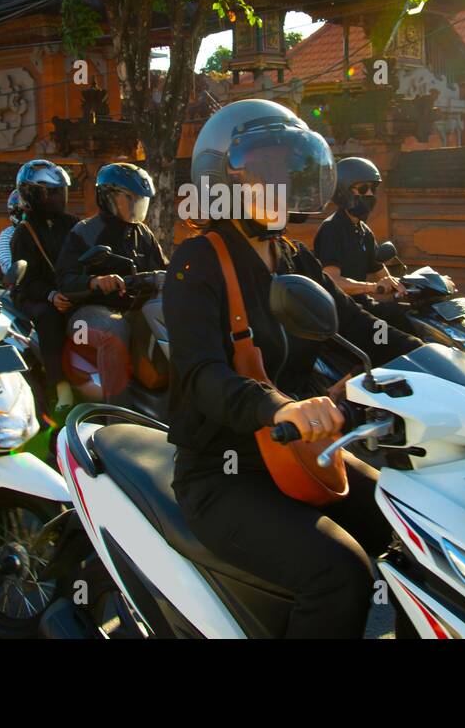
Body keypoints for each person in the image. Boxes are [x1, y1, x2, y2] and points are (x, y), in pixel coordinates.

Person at [165, 99, 421, 638]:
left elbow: (357, 324)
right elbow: (201, 374)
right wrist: (281, 406)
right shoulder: (197, 262)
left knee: (413, 529)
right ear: (222, 178)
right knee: (340, 573)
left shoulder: (292, 256)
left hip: (305, 453)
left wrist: (440, 355)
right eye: (263, 168)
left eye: (287, 168)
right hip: (225, 471)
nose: (279, 181)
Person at [56, 162, 168, 399]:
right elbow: (65, 281)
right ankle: (115, 416)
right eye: (131, 199)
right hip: (85, 316)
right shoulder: (84, 231)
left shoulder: (143, 233)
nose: (137, 206)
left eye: (140, 200)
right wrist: (95, 282)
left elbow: (163, 268)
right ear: (108, 197)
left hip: (135, 308)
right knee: (114, 333)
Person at [3, 161, 79, 412]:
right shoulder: (23, 233)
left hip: (68, 289)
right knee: (49, 317)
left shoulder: (74, 225)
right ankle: (60, 384)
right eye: (51, 192)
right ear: (33, 195)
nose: (58, 197)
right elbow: (27, 279)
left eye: (60, 191)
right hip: (32, 293)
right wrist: (51, 295)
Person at [313, 157, 411, 331]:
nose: (370, 195)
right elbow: (333, 281)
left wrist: (414, 286)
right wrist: (373, 287)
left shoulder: (363, 231)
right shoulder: (332, 229)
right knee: (395, 340)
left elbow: (382, 277)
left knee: (410, 317)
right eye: (363, 189)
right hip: (342, 313)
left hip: (362, 306)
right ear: (343, 191)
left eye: (373, 189)